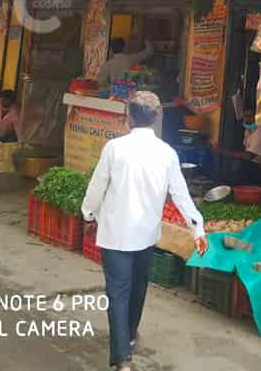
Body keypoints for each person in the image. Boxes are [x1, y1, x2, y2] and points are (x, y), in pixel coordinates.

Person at [81, 91, 207, 371]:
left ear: (128, 117)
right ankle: (129, 338)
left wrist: (88, 214)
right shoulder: (167, 154)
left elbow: (96, 187)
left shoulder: (114, 149)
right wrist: (197, 228)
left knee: (118, 293)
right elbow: (181, 195)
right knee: (138, 288)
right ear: (156, 118)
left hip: (115, 234)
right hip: (146, 235)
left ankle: (122, 358)